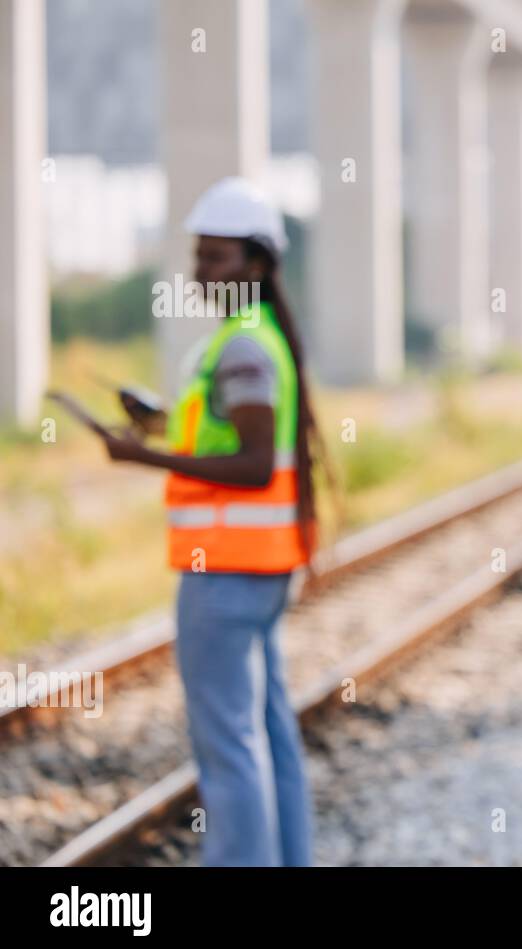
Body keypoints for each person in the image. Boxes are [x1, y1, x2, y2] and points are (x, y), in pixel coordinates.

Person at [100, 176, 324, 866]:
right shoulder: (246, 338)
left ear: (255, 264)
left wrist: (143, 458)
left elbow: (255, 465)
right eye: (198, 256)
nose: (202, 272)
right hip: (254, 569)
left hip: (228, 572)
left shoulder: (243, 345)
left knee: (228, 745)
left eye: (217, 257)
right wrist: (164, 427)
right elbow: (233, 442)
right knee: (264, 729)